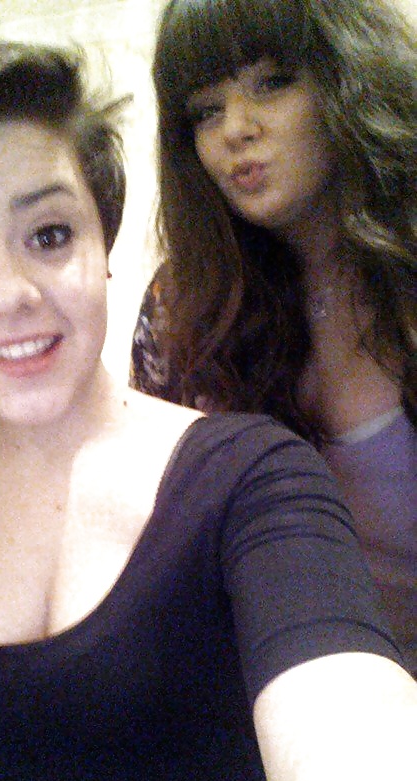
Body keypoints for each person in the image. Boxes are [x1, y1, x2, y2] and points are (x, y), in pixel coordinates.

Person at [0, 38, 416, 781]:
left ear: (103, 241)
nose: (7, 294)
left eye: (48, 234)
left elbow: (342, 736)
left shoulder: (250, 475)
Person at [129, 0, 416, 672]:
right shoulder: (183, 313)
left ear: (351, 79)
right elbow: (163, 524)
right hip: (300, 685)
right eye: (206, 111)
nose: (236, 130)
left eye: (272, 83)